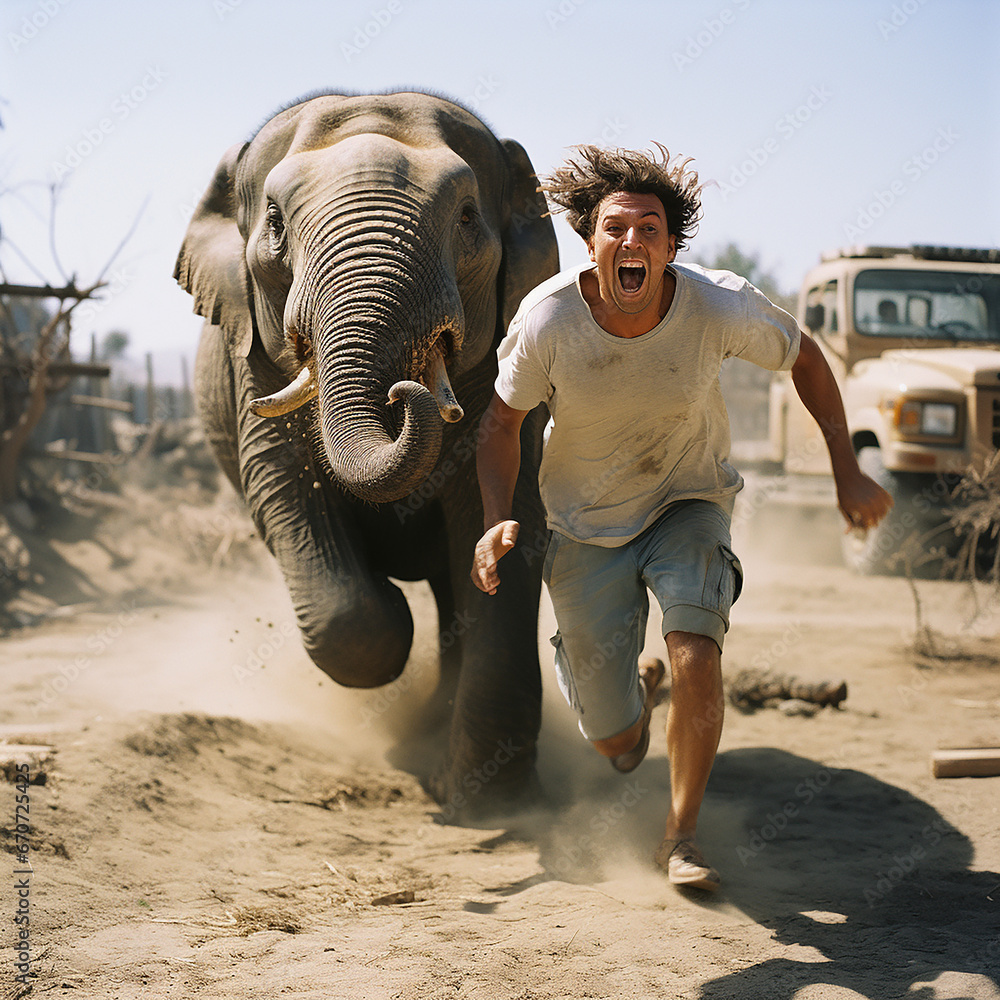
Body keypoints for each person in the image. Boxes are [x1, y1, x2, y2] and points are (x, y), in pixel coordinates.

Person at [470, 144, 893, 891]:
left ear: (670, 246)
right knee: (617, 743)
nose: (632, 242)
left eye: (650, 230)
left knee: (697, 645)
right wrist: (496, 518)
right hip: (585, 523)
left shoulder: (717, 303)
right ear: (590, 240)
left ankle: (682, 838)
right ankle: (638, 701)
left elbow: (805, 356)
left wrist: (847, 470)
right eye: (616, 228)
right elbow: (501, 425)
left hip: (687, 501)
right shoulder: (549, 320)